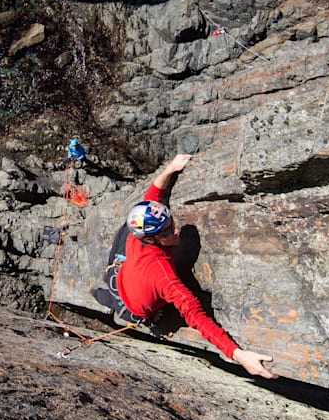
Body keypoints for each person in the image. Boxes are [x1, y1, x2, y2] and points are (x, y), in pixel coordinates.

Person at [108, 154, 277, 379]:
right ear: (152, 239)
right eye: (168, 232)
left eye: (172, 224)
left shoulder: (136, 234)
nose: (175, 231)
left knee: (129, 223)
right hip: (140, 308)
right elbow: (195, 315)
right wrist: (238, 354)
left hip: (123, 277)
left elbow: (152, 197)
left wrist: (170, 168)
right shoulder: (163, 275)